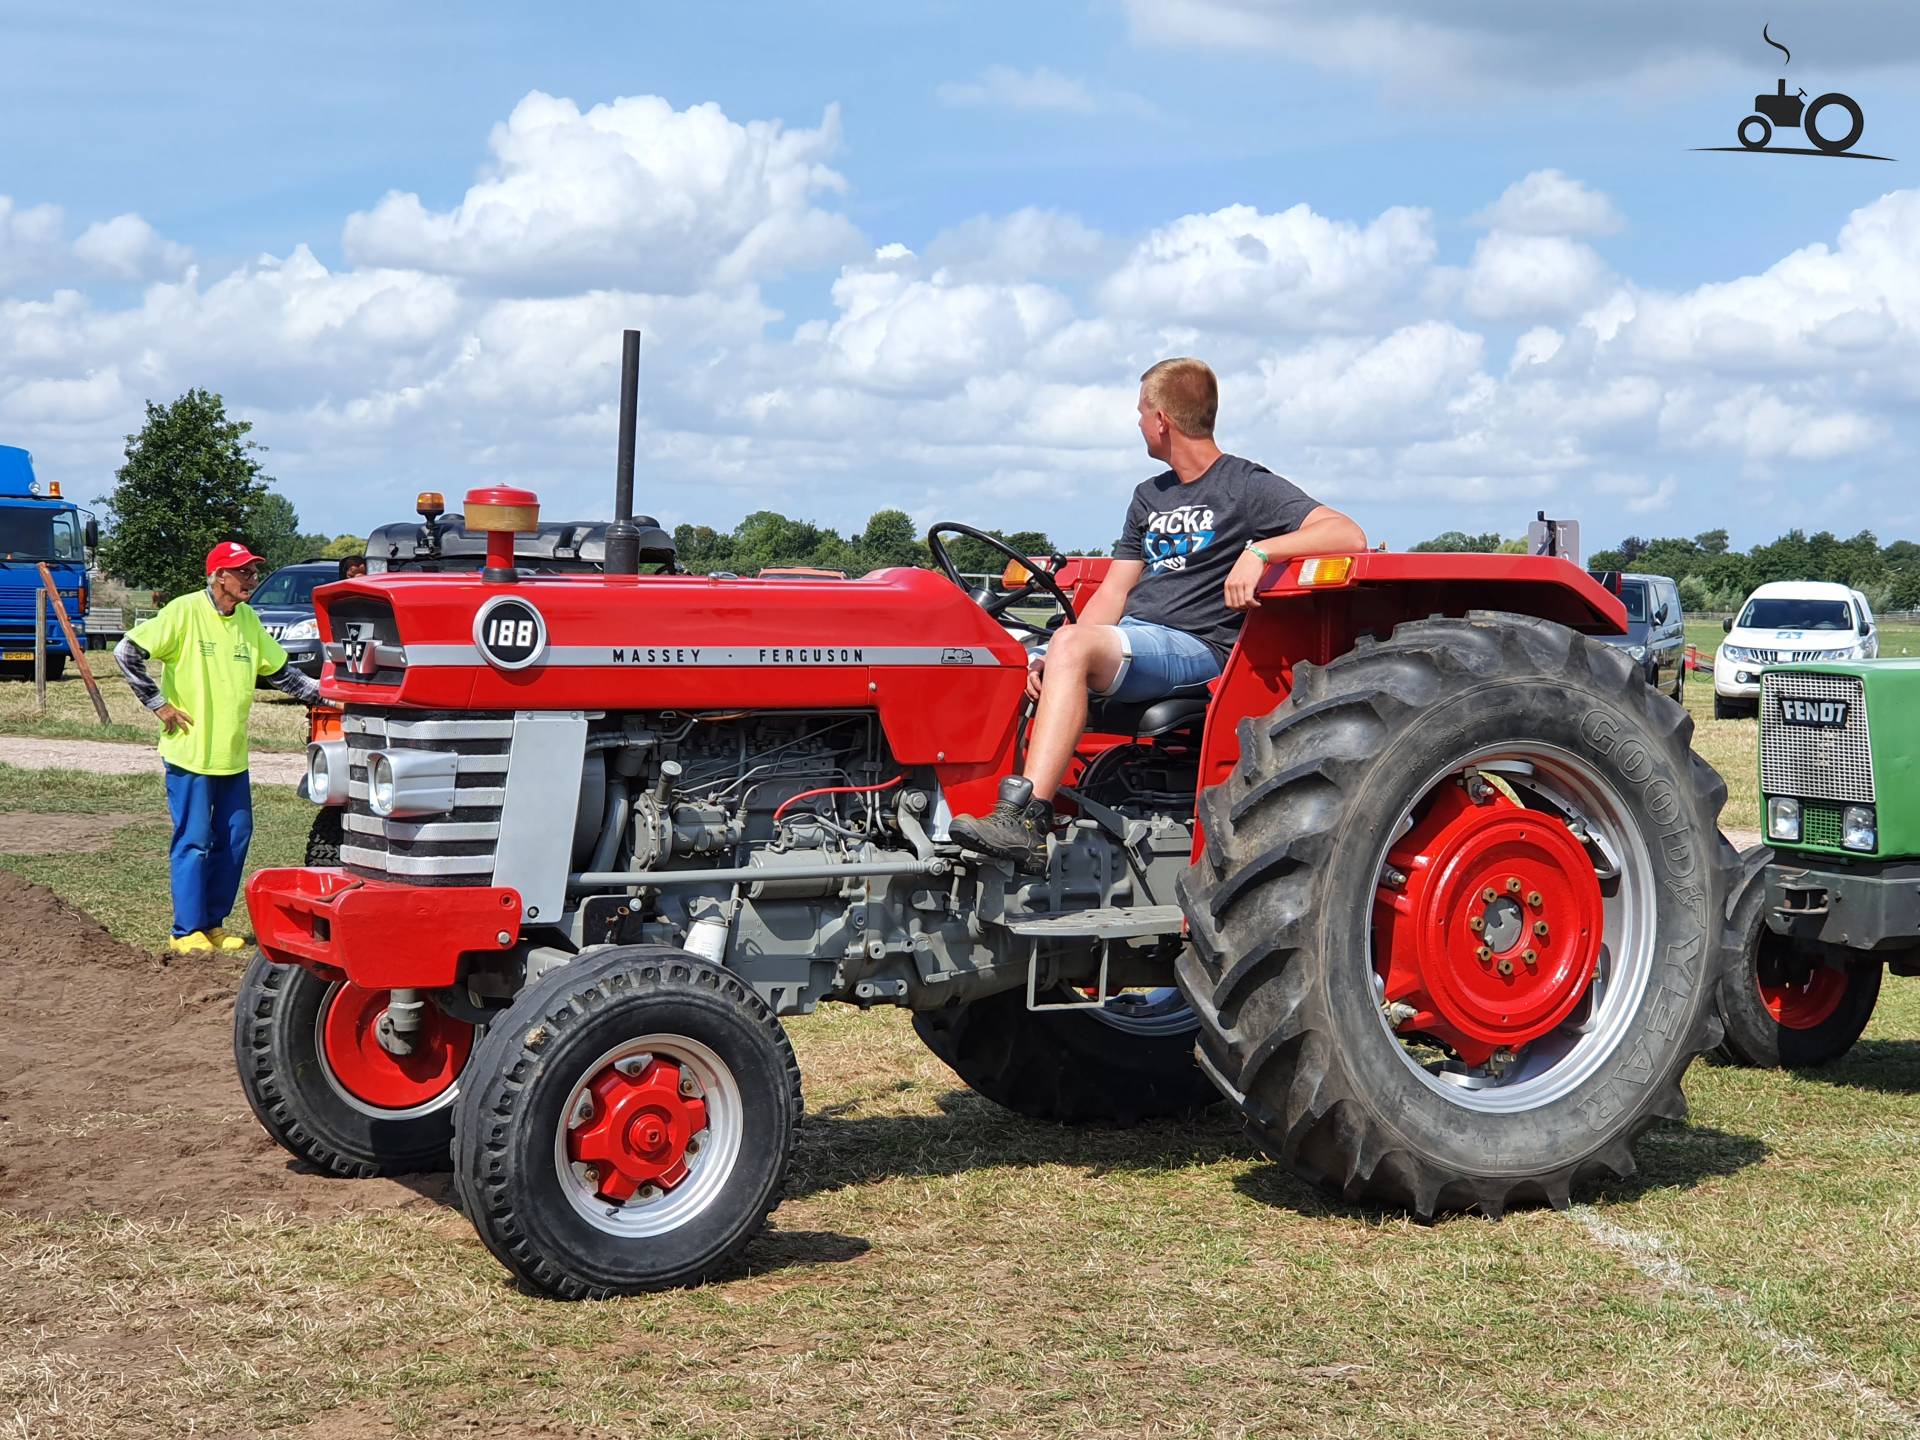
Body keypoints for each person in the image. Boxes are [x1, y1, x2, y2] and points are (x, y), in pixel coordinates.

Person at [951, 358, 1366, 869]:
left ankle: (1026, 820)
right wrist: (1054, 652)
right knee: (1001, 655)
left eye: (1141, 413)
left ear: (1162, 419)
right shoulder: (1150, 495)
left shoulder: (1244, 484)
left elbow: (1346, 533)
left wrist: (1261, 552)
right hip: (1136, 637)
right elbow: (1115, 590)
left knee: (1071, 645)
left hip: (1196, 647)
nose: (1139, 423)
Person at [114, 541, 323, 955]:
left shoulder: (248, 619)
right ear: (219, 576)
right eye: (243, 572)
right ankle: (185, 930)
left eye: (253, 571)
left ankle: (212, 924)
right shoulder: (185, 611)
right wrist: (158, 704)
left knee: (235, 836)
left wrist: (331, 696)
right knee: (194, 840)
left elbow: (284, 675)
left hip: (231, 756)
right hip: (190, 753)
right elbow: (126, 652)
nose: (252, 579)